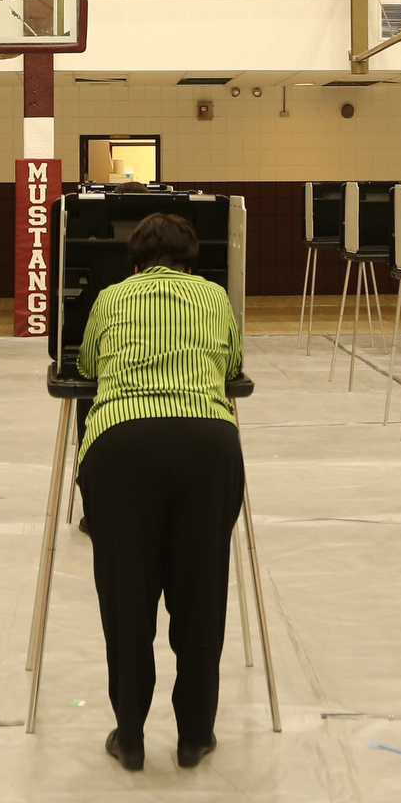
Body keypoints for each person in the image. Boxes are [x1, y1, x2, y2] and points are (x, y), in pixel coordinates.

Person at [75, 210, 246, 772]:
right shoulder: (216, 298)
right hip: (207, 445)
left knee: (127, 597)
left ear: (136, 259)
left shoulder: (110, 299)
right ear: (193, 259)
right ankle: (195, 735)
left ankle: (129, 735)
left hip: (122, 447)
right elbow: (233, 366)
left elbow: (87, 366)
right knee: (200, 598)